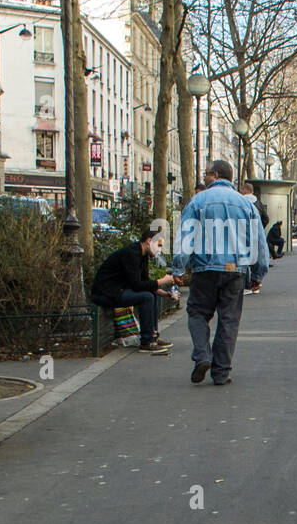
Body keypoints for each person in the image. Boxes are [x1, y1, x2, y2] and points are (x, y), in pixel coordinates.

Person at [174, 159, 271, 385]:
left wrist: (179, 266)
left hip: (204, 268)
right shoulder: (245, 204)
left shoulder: (197, 201)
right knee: (229, 320)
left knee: (197, 312)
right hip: (234, 269)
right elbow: (257, 241)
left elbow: (186, 236)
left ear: (215, 175)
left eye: (207, 173)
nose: (205, 177)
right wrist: (258, 273)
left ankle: (202, 356)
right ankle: (221, 372)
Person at [89, 223, 178, 354]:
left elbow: (145, 282)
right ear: (149, 241)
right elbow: (137, 285)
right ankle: (147, 342)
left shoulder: (142, 255)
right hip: (106, 294)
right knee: (146, 297)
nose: (160, 250)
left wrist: (165, 293)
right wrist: (162, 281)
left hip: (118, 291)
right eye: (159, 245)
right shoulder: (131, 254)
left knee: (150, 295)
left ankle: (152, 337)